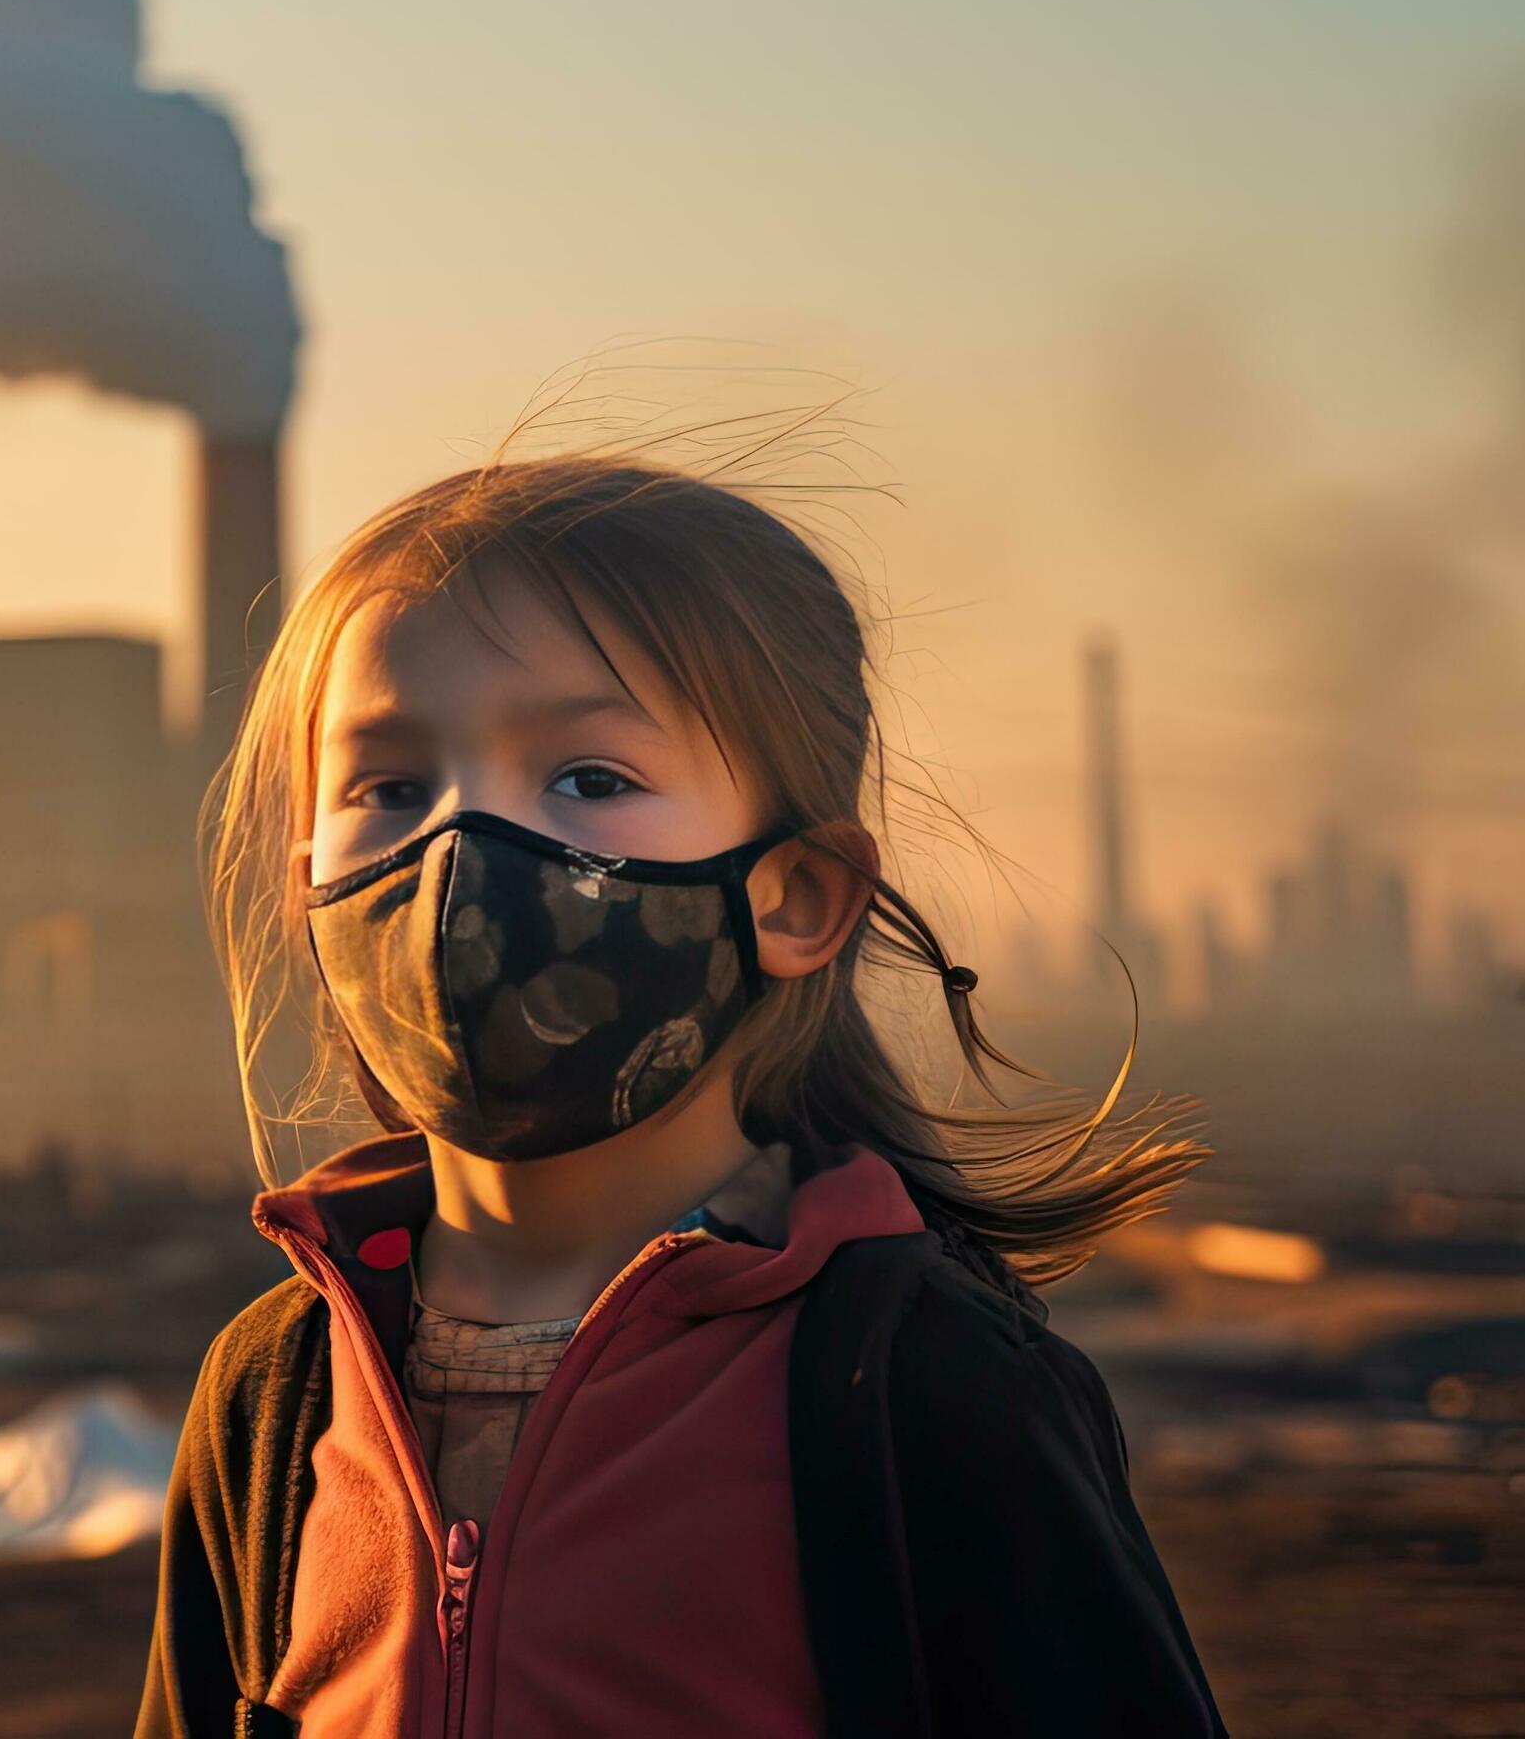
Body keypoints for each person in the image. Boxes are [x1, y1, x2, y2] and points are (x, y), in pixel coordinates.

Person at [137, 455, 1223, 1738]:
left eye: (588, 778)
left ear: (796, 896)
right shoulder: (272, 1397)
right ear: (304, 883)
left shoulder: (921, 1391)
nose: (457, 851)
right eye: (387, 786)